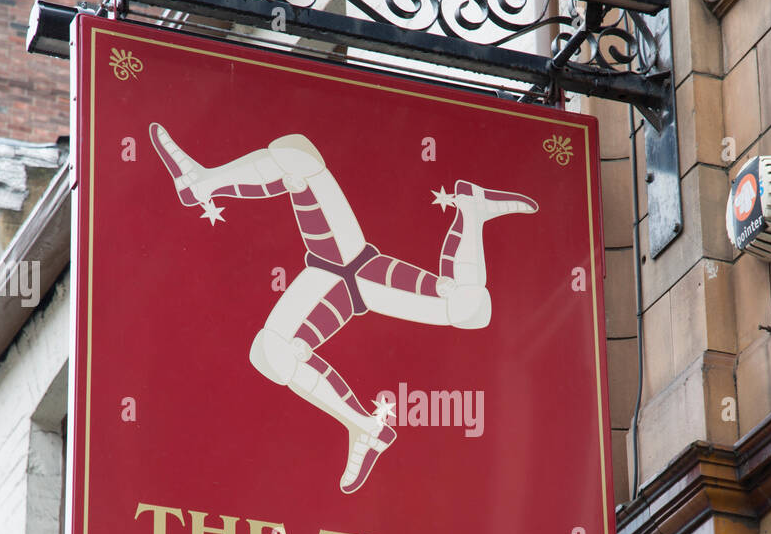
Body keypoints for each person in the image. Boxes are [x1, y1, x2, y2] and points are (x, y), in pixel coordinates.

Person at [150, 123, 538, 493]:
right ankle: (366, 428)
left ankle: (471, 207)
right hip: (338, 275)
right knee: (269, 352)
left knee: (472, 309)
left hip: (350, 270)